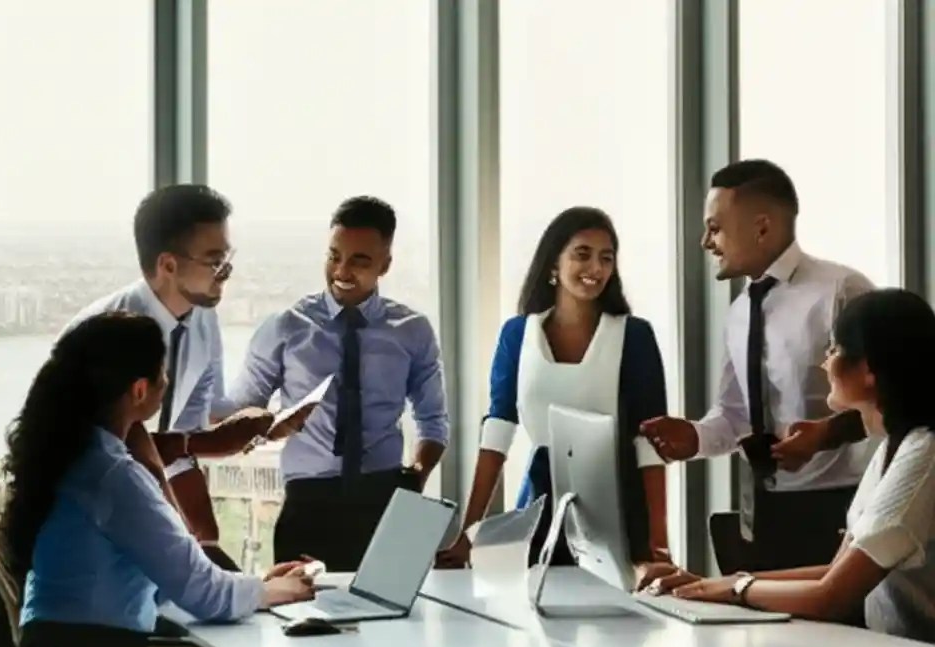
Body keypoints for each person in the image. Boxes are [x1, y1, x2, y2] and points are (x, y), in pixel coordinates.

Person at [0, 312, 314, 647]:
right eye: (164, 373)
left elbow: (169, 584)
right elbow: (202, 592)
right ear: (139, 390)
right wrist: (276, 593)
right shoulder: (114, 477)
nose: (167, 383)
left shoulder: (77, 460)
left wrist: (256, 587)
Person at [642, 289, 935, 644]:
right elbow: (834, 572)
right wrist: (714, 584)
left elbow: (832, 597)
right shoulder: (894, 445)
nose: (825, 363)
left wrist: (737, 589)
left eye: (834, 350)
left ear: (868, 369)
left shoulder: (923, 455)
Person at [640, 159, 876, 573]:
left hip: (841, 504)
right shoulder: (739, 312)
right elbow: (736, 417)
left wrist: (825, 435)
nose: (705, 242)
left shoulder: (842, 291)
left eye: (715, 228)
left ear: (761, 228)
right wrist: (694, 437)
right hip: (765, 509)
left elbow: (898, 396)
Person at [56, 184, 278, 572]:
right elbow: (106, 452)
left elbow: (181, 445)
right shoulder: (105, 336)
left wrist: (207, 542)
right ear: (168, 265)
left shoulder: (203, 320)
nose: (225, 274)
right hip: (83, 525)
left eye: (227, 260)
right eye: (215, 262)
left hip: (137, 517)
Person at [219, 196, 449, 571]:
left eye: (359, 260)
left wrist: (416, 478)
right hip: (309, 501)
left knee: (391, 605)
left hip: (385, 495)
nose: (342, 271)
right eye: (334, 256)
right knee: (301, 605)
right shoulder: (286, 327)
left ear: (385, 264)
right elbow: (240, 410)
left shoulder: (412, 330)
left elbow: (433, 420)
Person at [435, 206, 669, 570]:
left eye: (606, 258)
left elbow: (650, 443)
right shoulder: (518, 334)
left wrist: (659, 542)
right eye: (582, 255)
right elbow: (497, 433)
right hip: (540, 507)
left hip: (619, 508)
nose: (596, 268)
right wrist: (468, 533)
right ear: (553, 264)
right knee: (535, 598)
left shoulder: (634, 335)